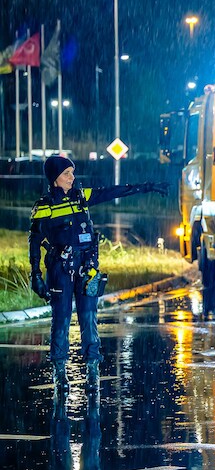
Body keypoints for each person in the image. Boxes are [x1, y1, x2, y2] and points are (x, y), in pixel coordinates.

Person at [28, 155, 167, 401]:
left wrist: (146, 187)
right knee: (60, 322)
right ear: (54, 178)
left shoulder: (82, 196)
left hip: (87, 269)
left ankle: (92, 371)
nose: (72, 177)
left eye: (72, 172)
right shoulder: (45, 205)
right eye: (67, 174)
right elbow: (35, 242)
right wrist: (36, 275)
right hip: (60, 271)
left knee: (89, 319)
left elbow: (112, 192)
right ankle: (60, 374)